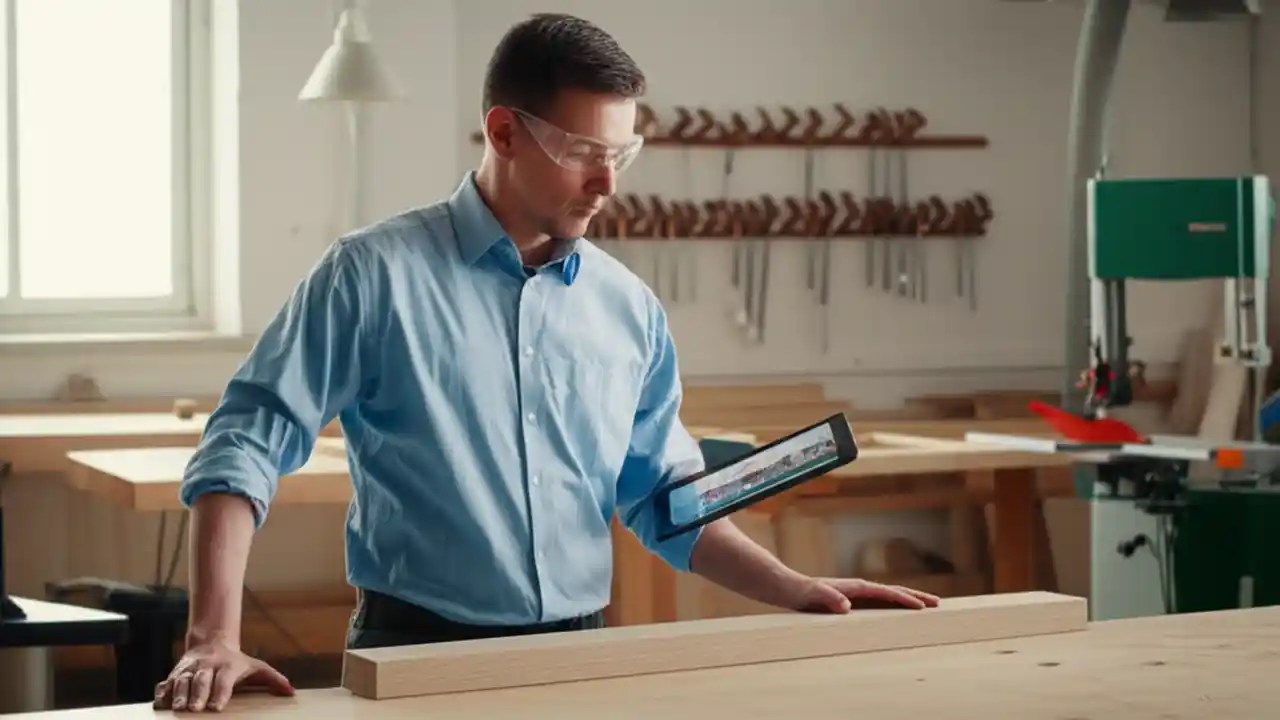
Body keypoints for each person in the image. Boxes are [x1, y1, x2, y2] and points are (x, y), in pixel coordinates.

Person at [153, 12, 939, 713]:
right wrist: (211, 635)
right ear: (503, 132)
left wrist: (794, 587)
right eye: (583, 152)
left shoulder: (627, 308)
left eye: (622, 154)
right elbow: (246, 441)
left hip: (579, 652)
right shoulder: (373, 274)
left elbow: (663, 502)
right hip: (415, 654)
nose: (606, 184)